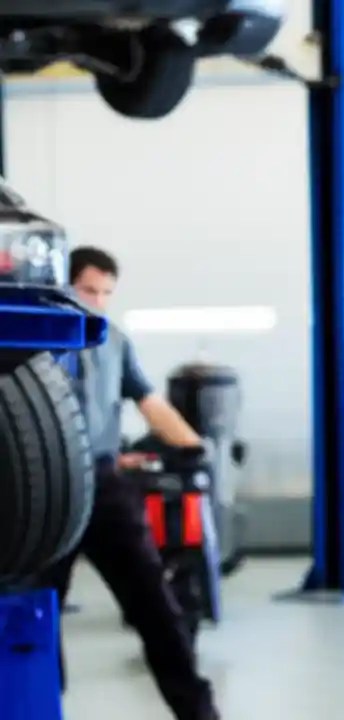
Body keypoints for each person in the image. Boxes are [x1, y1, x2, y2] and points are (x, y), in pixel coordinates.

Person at [42, 246, 220, 720]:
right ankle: (42, 707)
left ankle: (199, 713)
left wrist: (195, 446)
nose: (96, 302)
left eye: (105, 293)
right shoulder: (32, 340)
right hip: (44, 491)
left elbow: (148, 400)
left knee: (156, 607)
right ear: (63, 285)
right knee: (39, 613)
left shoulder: (113, 341)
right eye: (87, 290)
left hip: (103, 485)